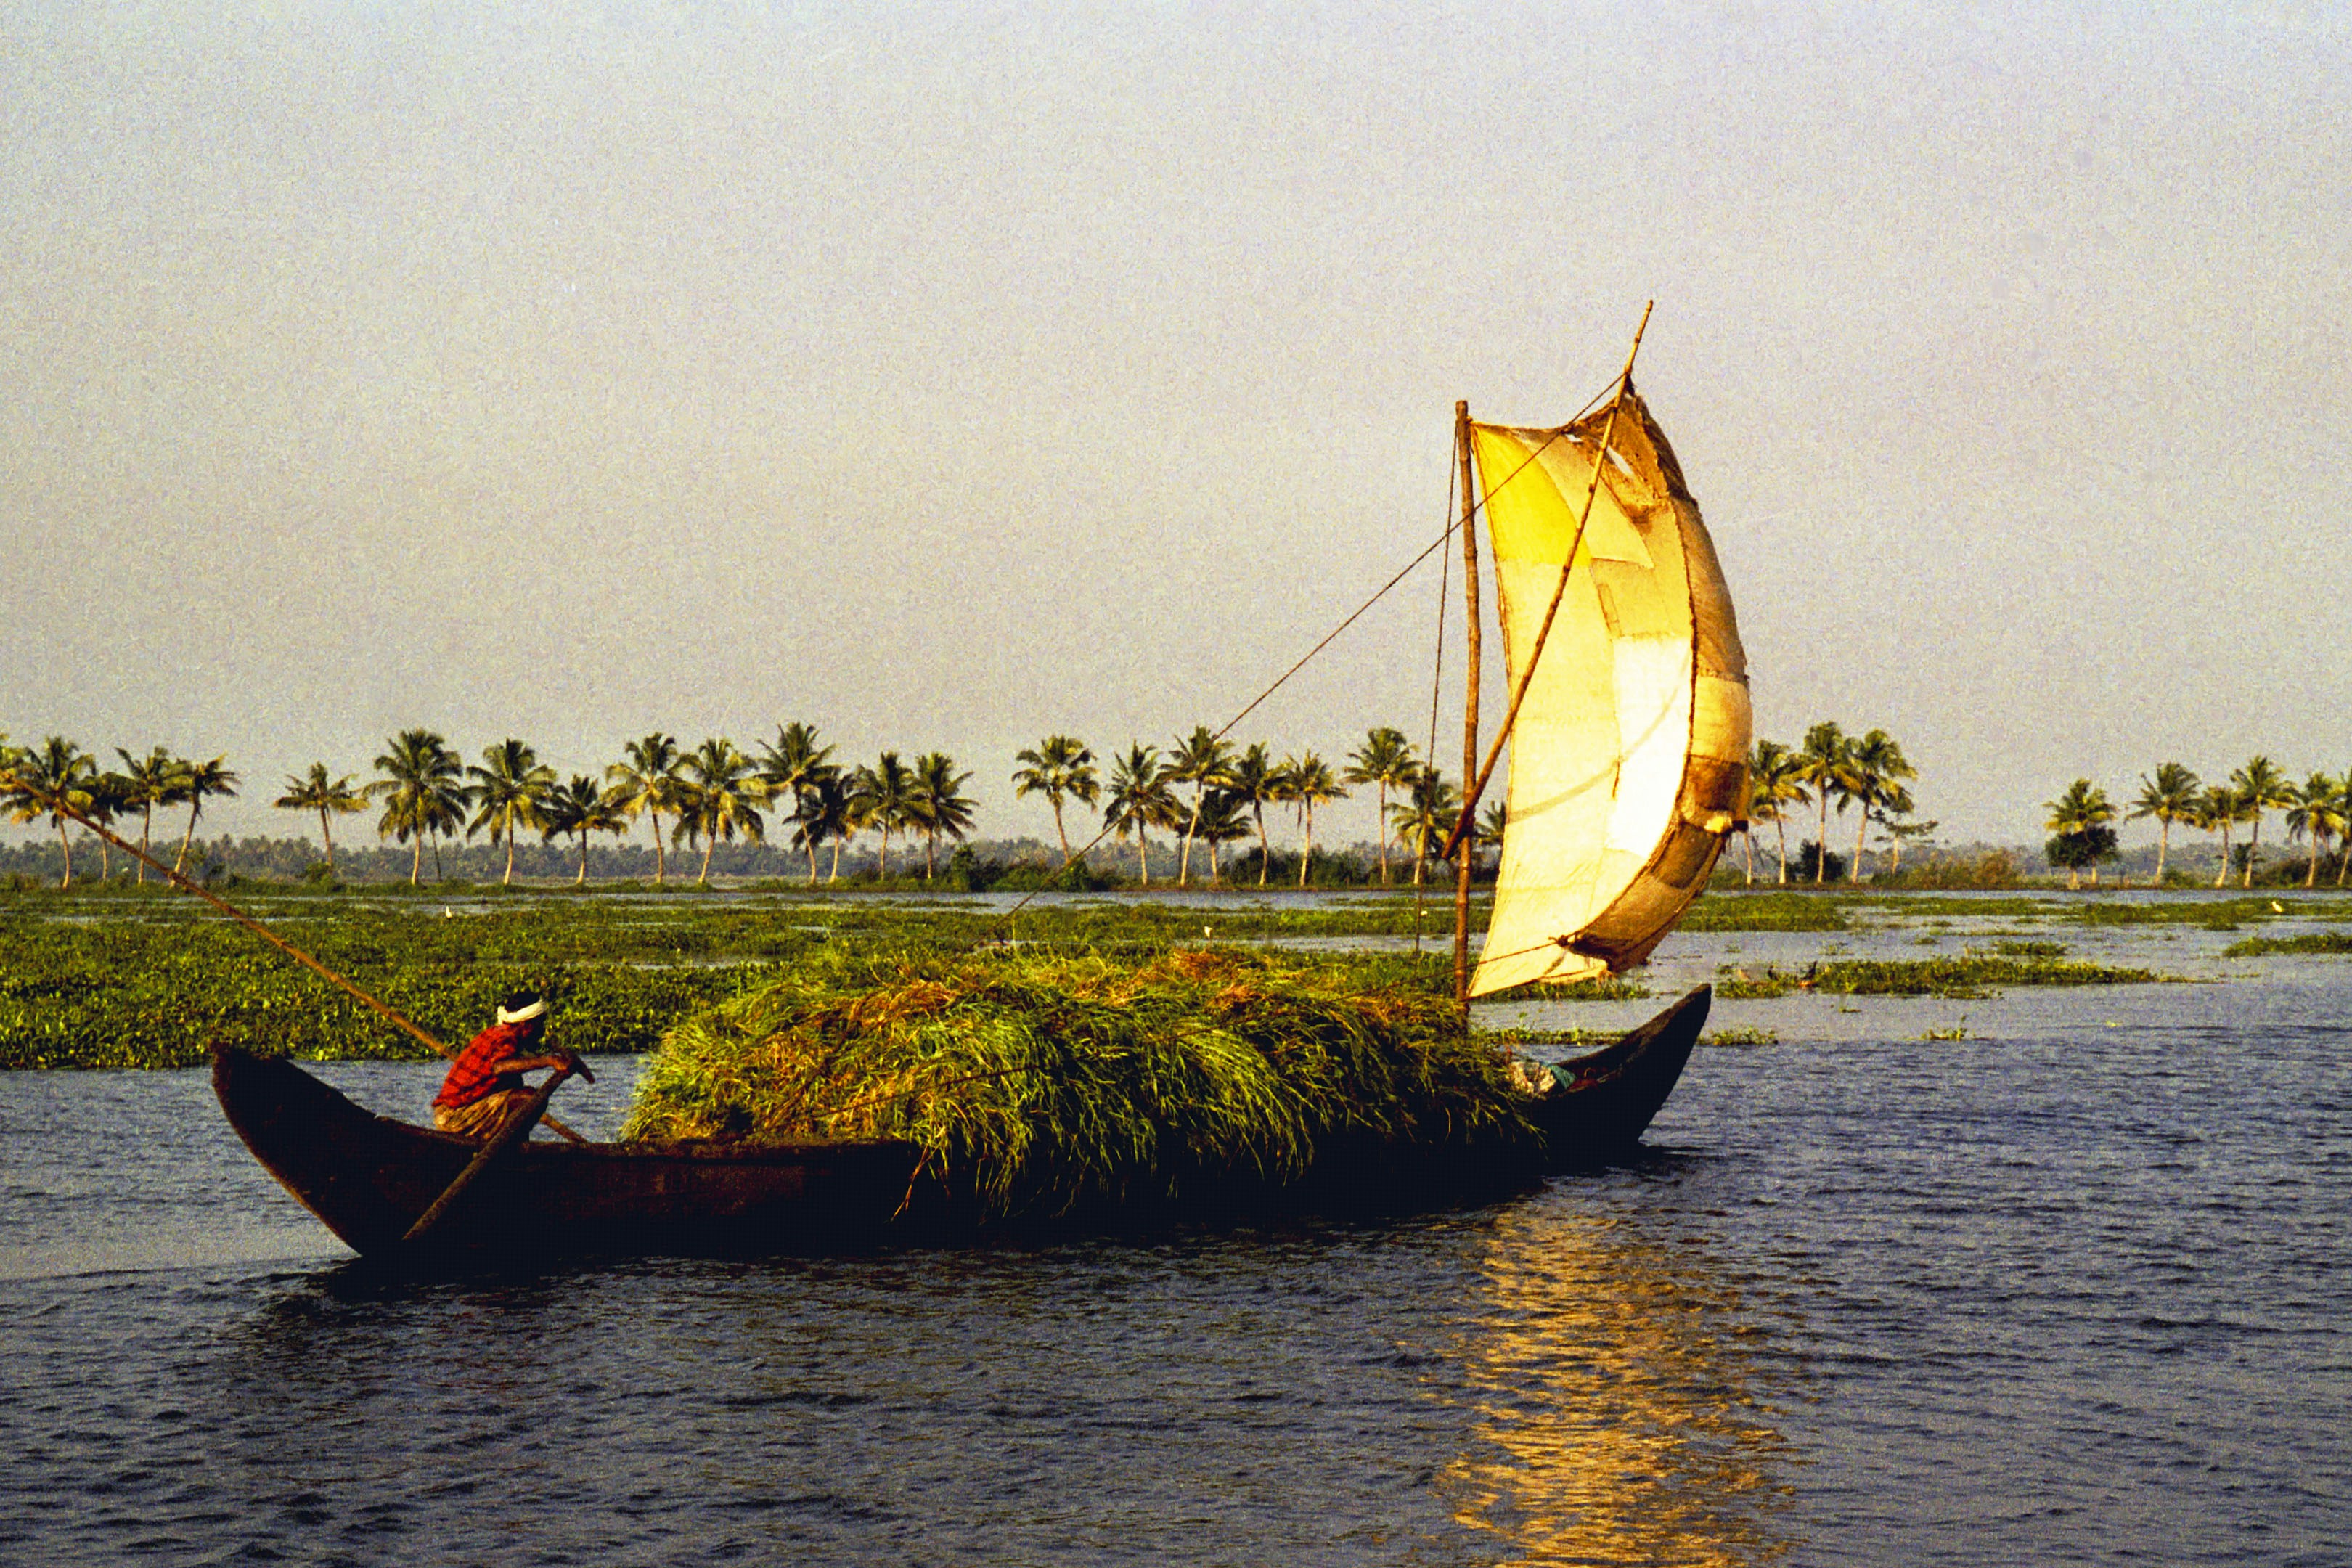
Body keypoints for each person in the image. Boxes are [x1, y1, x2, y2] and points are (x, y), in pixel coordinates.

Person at [433, 990, 592, 1139]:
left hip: (454, 1112)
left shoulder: (497, 1033)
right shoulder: (507, 1038)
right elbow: (499, 1067)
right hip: (454, 1117)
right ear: (527, 1025)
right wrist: (549, 1061)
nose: (542, 1030)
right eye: (540, 1024)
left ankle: (513, 1148)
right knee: (530, 1099)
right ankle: (512, 1153)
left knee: (517, 1089)